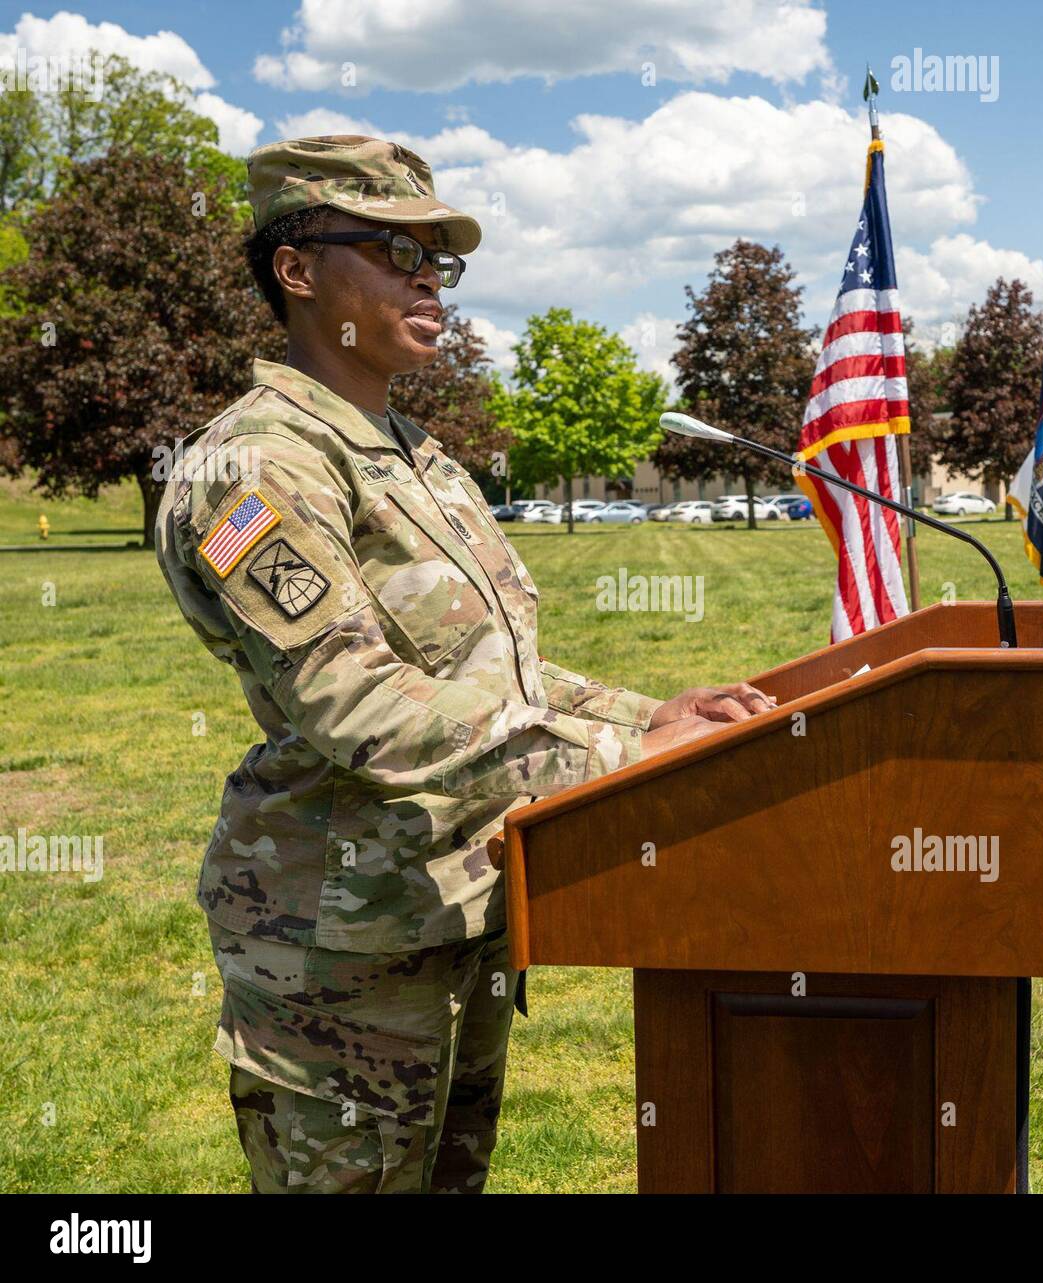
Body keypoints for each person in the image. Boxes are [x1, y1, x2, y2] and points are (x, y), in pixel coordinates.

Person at [155, 135, 772, 1193]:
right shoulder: (254, 466)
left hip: (460, 908)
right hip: (339, 952)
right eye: (395, 250)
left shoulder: (412, 452)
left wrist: (650, 707)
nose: (428, 275)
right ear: (298, 271)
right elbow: (359, 707)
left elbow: (496, 674)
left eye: (439, 256)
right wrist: (632, 751)